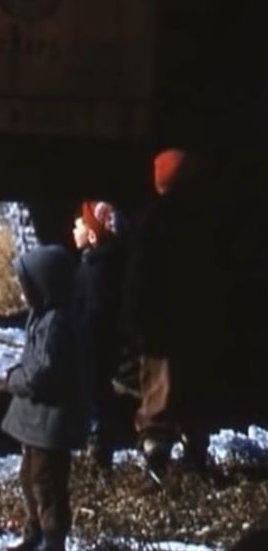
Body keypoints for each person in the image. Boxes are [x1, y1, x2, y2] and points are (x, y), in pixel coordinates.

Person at [127, 147, 221, 477]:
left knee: (159, 388)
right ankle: (195, 450)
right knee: (194, 384)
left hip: (159, 324)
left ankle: (156, 455)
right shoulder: (203, 219)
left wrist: (135, 315)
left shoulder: (151, 220)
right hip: (193, 318)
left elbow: (139, 275)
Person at [1, 245, 86, 551]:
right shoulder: (43, 316)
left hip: (50, 424)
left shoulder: (56, 324)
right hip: (37, 423)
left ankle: (53, 540)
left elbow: (43, 373)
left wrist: (16, 379)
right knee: (30, 478)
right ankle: (34, 531)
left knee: (47, 484)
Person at [71, 199, 130, 469]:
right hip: (103, 345)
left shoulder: (94, 269)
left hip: (93, 346)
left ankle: (97, 450)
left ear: (93, 236)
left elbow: (91, 313)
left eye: (79, 225)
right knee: (99, 395)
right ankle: (98, 447)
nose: (74, 229)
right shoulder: (109, 265)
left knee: (95, 397)